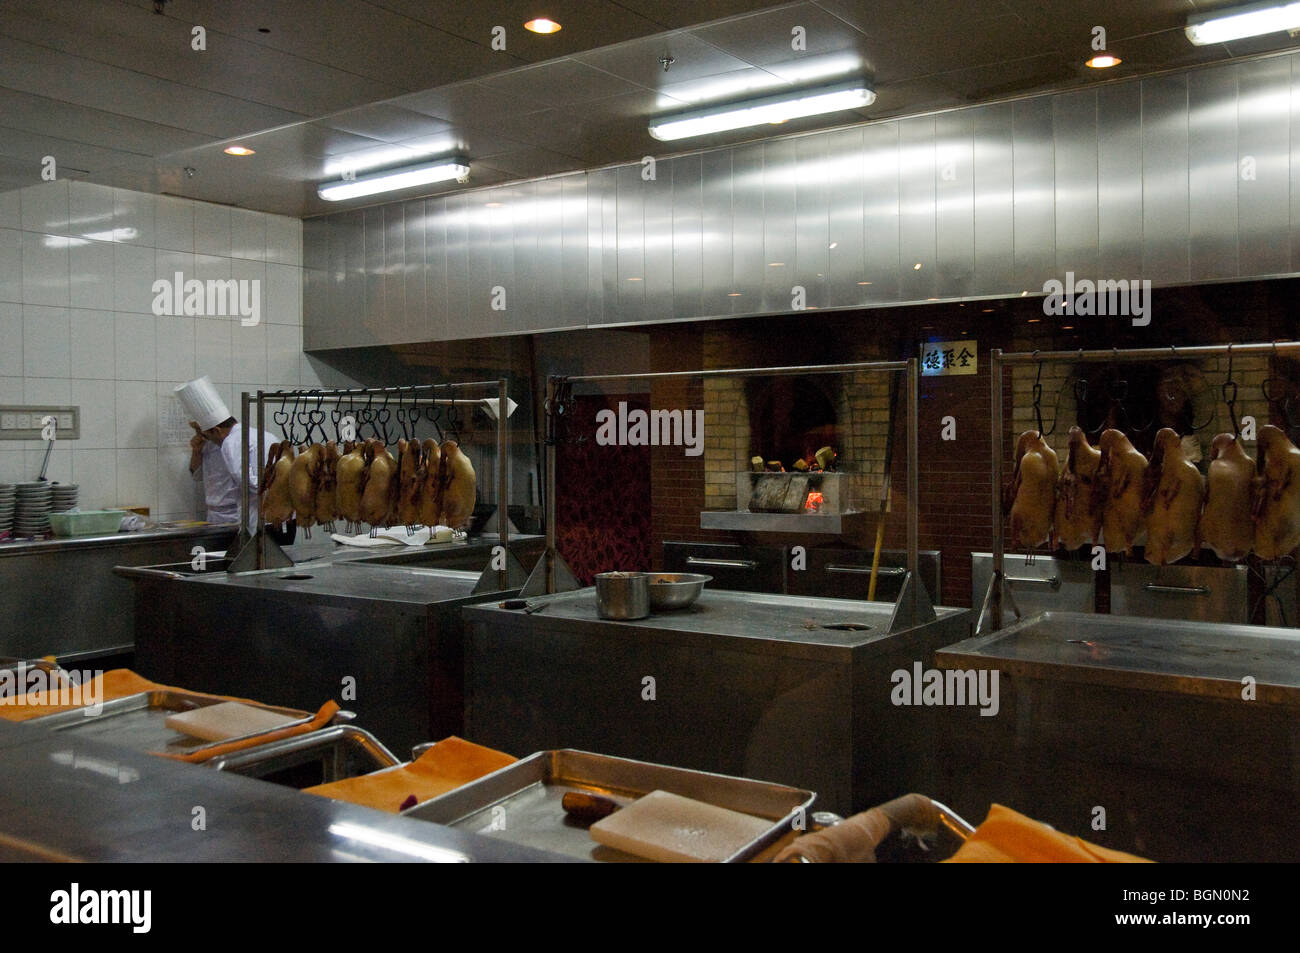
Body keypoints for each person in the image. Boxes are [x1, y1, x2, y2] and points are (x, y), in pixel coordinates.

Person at [176, 376, 280, 533]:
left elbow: (248, 483)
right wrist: (196, 451)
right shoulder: (267, 436)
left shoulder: (232, 442)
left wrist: (269, 485)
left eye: (204, 432)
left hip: (240, 515)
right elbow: (198, 476)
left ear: (216, 430)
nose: (202, 436)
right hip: (254, 516)